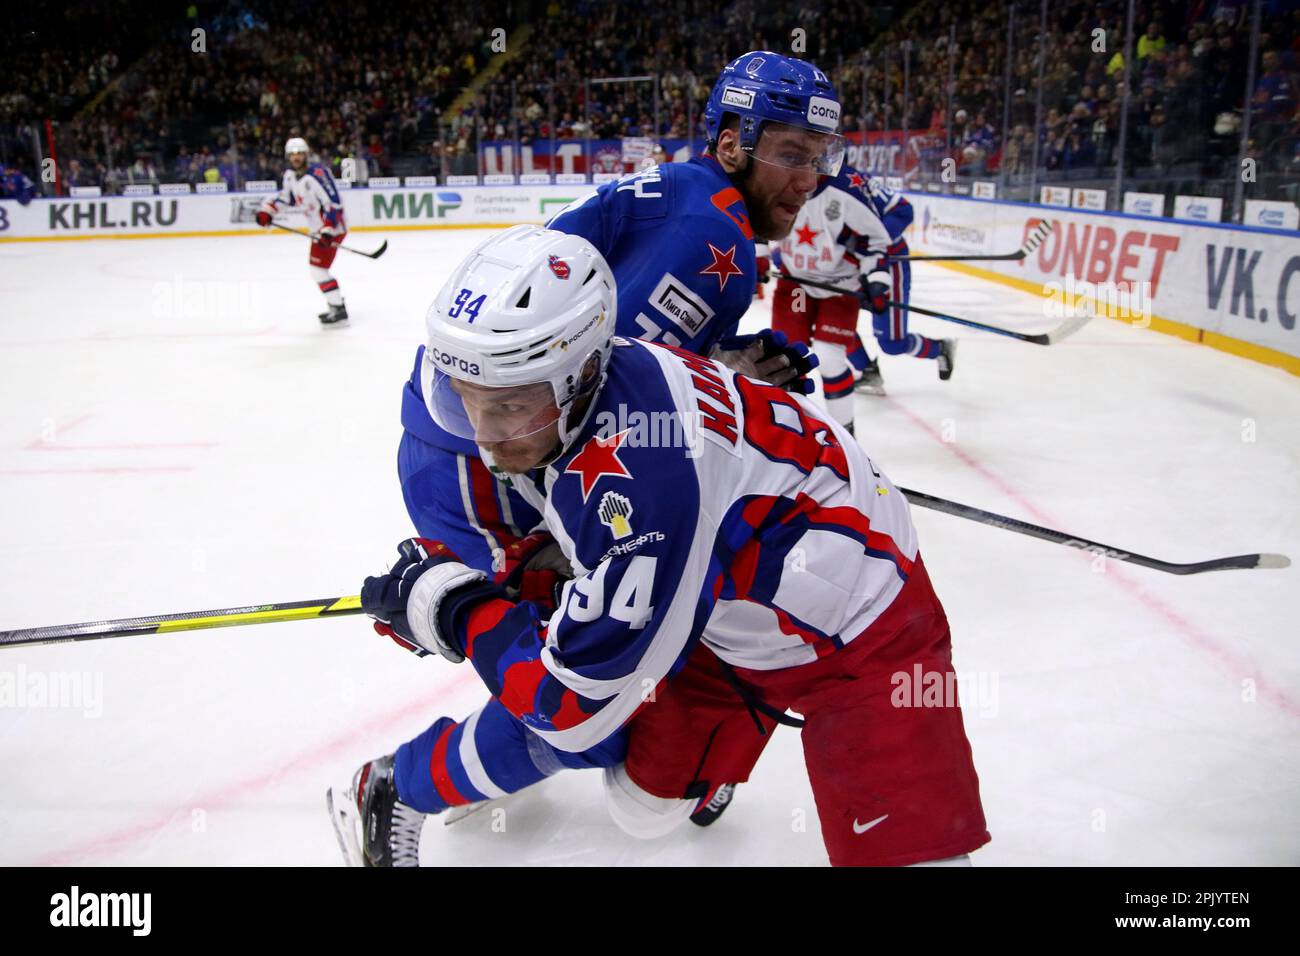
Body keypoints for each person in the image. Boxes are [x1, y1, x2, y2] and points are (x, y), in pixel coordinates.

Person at [334, 52, 850, 866]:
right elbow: (595, 399)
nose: (810, 177)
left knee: (591, 672)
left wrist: (730, 366)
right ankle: (401, 783)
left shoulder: (696, 199)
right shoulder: (712, 234)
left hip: (491, 448)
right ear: (729, 142)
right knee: (593, 706)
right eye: (791, 152)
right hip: (488, 467)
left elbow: (614, 360)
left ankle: (485, 757)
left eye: (824, 157)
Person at [349, 225, 991, 867]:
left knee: (915, 856)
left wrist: (456, 608)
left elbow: (569, 708)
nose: (485, 443)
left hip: (870, 628)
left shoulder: (646, 483)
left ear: (580, 372)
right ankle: (712, 741)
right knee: (645, 811)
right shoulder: (600, 380)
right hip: (731, 608)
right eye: (467, 401)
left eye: (511, 406)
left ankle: (408, 781)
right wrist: (563, 572)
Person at [772, 168, 953, 402]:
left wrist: (860, 245)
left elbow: (902, 211)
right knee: (830, 324)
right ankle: (868, 370)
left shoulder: (852, 182)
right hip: (843, 268)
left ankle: (939, 349)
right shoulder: (806, 185)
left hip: (886, 265)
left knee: (892, 343)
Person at [255, 138, 349, 325]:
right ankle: (336, 305)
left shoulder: (318, 174)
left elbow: (333, 203)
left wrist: (328, 229)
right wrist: (268, 211)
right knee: (318, 270)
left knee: (318, 270)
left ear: (306, 154)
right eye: (292, 154)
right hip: (318, 230)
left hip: (332, 229)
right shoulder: (290, 175)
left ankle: (338, 308)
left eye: (299, 153)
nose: (296, 157)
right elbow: (286, 198)